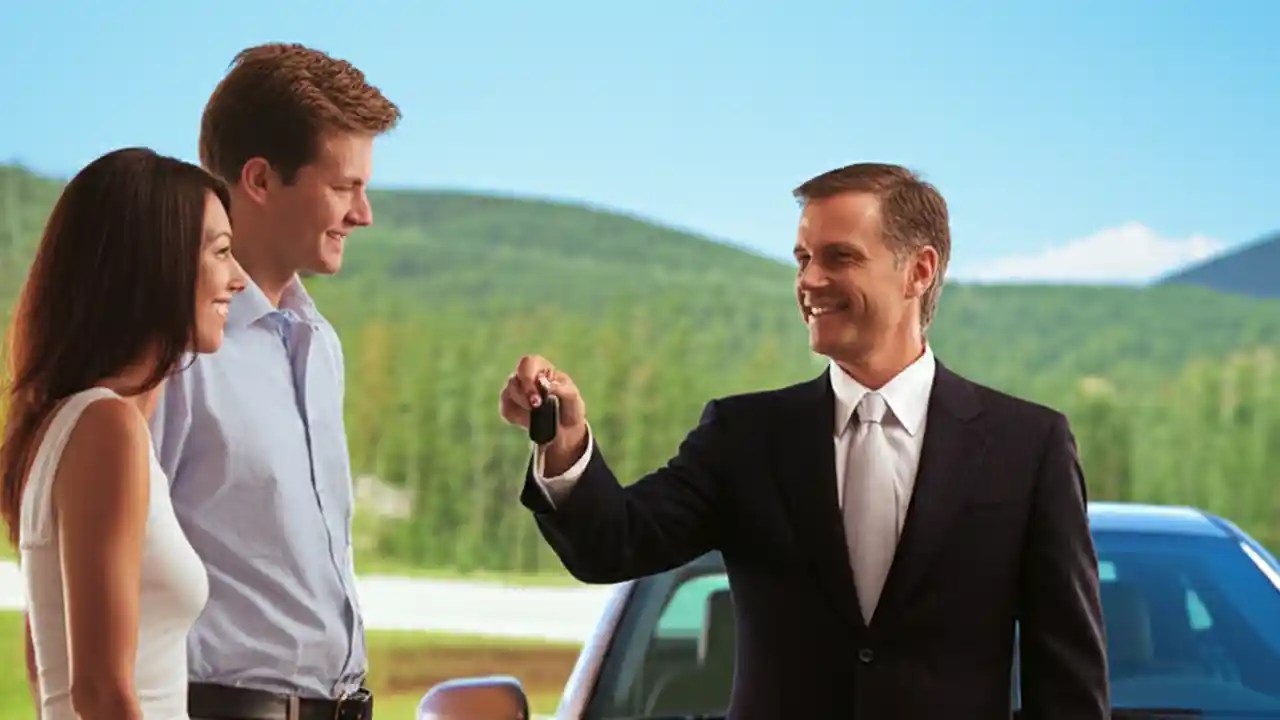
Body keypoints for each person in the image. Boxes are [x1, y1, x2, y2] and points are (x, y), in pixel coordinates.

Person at [499, 162, 1110, 718]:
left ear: (918, 271)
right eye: (801, 259)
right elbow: (614, 545)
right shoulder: (743, 438)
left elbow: (1070, 690)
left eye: (839, 257)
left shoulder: (1028, 448)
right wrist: (567, 442)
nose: (810, 280)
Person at [148, 43, 400, 720]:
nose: (364, 212)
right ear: (259, 181)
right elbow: (95, 571)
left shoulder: (321, 345)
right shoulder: (170, 352)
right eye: (345, 186)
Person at [4, 146, 247, 719]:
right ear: (157, 264)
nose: (237, 278)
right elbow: (101, 693)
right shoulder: (105, 428)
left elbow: (46, 667)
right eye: (221, 252)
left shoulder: (76, 423)